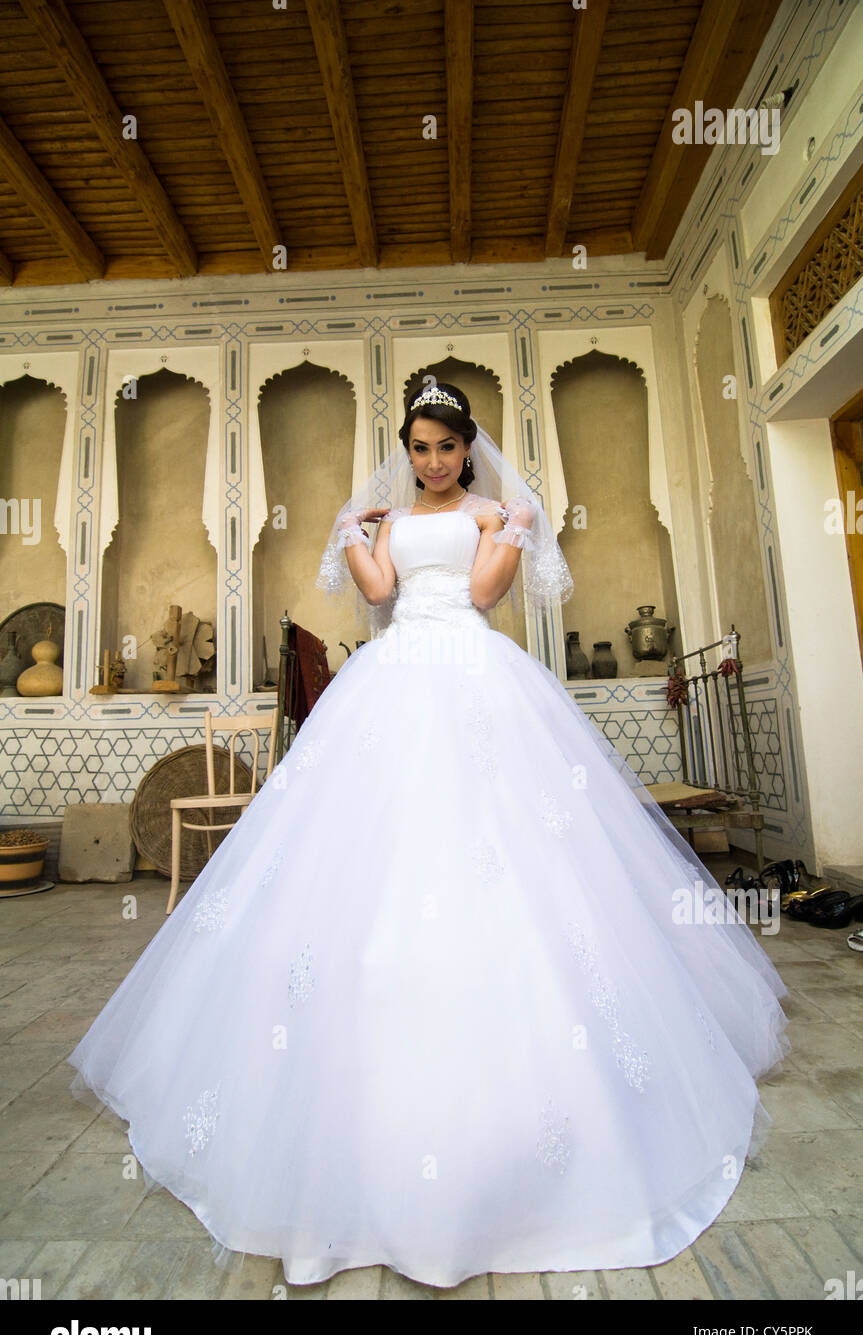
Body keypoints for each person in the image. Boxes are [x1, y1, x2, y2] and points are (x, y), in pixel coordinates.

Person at [67, 381, 791, 1289]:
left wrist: (511, 531)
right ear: (405, 448)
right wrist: (354, 537)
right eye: (418, 447)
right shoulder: (386, 515)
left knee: (515, 852)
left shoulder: (497, 512)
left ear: (466, 447)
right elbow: (376, 598)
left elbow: (485, 597)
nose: (432, 462)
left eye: (445, 447)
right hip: (396, 671)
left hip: (474, 673)